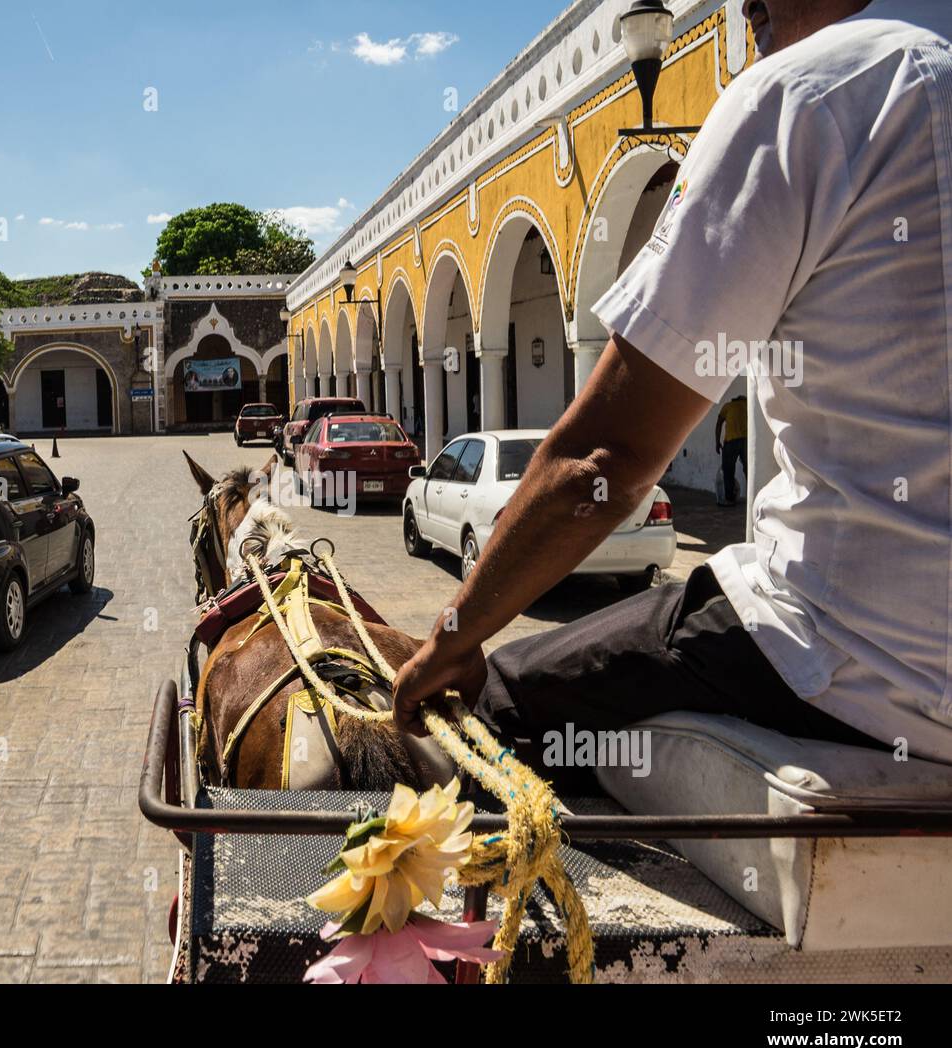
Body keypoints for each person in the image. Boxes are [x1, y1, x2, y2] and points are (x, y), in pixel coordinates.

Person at [392, 0, 952, 773]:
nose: (747, 4)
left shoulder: (799, 93)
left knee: (483, 717)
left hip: (846, 654)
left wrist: (451, 642)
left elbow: (607, 459)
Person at [715, 394, 747, 505]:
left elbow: (719, 423)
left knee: (728, 471)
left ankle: (729, 499)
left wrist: (717, 442)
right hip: (746, 441)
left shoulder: (728, 406)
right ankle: (753, 496)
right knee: (749, 470)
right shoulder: (748, 406)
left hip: (731, 441)